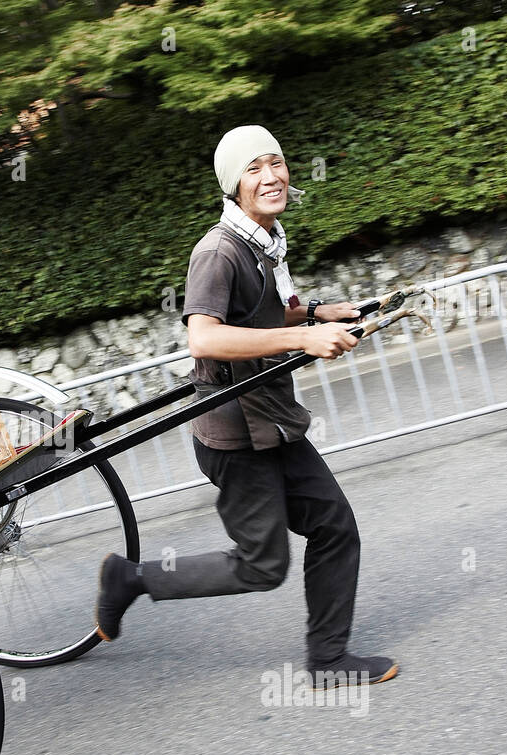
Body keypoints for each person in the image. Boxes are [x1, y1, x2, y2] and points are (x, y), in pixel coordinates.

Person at [95, 124, 397, 689]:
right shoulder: (218, 250)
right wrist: (302, 340)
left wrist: (319, 315)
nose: (270, 176)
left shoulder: (266, 240)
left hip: (273, 419)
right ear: (233, 184)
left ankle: (328, 658)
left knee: (335, 525)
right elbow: (205, 338)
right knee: (262, 566)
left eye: (275, 162)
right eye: (253, 168)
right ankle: (130, 579)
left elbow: (266, 313)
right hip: (235, 433)